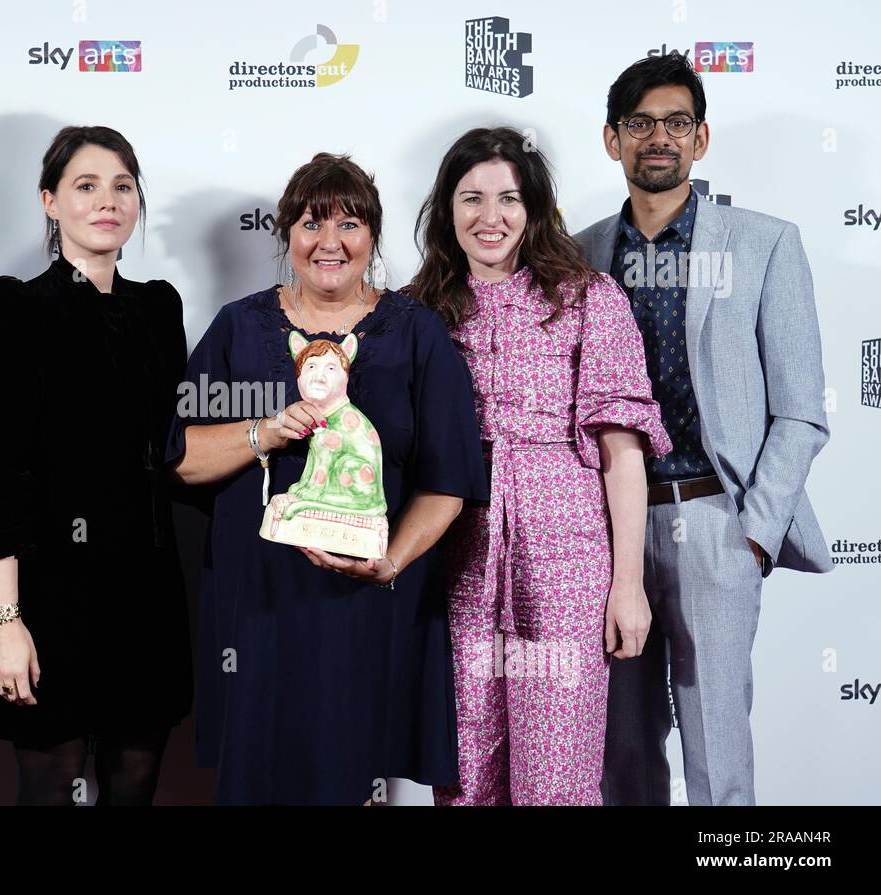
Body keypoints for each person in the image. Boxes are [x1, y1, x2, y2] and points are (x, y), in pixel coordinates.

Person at [169, 152, 489, 805]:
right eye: (312, 223)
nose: (330, 242)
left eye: (350, 224)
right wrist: (264, 430)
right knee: (257, 776)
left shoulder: (416, 333)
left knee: (354, 775)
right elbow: (180, 455)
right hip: (258, 600)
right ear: (287, 232)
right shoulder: (239, 328)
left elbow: (448, 482)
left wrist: (392, 560)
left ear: (373, 236)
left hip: (368, 598)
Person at [577, 54, 832, 805]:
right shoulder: (581, 253)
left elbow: (801, 409)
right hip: (606, 532)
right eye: (641, 123)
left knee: (717, 752)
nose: (660, 137)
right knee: (620, 751)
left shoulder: (764, 244)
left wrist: (754, 530)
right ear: (612, 139)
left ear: (702, 138)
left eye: (677, 123)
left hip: (716, 520)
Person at [409, 127, 671, 805]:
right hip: (455, 562)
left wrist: (628, 584)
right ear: (447, 210)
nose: (489, 217)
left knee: (556, 777)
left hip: (566, 567)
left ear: (533, 210)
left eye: (508, 198)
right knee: (463, 776)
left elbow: (623, 453)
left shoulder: (589, 298)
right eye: (471, 198)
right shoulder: (416, 314)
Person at [0, 126, 193, 806]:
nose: (107, 200)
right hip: (49, 594)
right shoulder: (12, 307)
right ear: (50, 202)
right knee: (50, 788)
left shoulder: (159, 308)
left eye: (123, 186)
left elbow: (175, 451)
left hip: (146, 595)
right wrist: (5, 620)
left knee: (136, 785)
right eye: (85, 185)